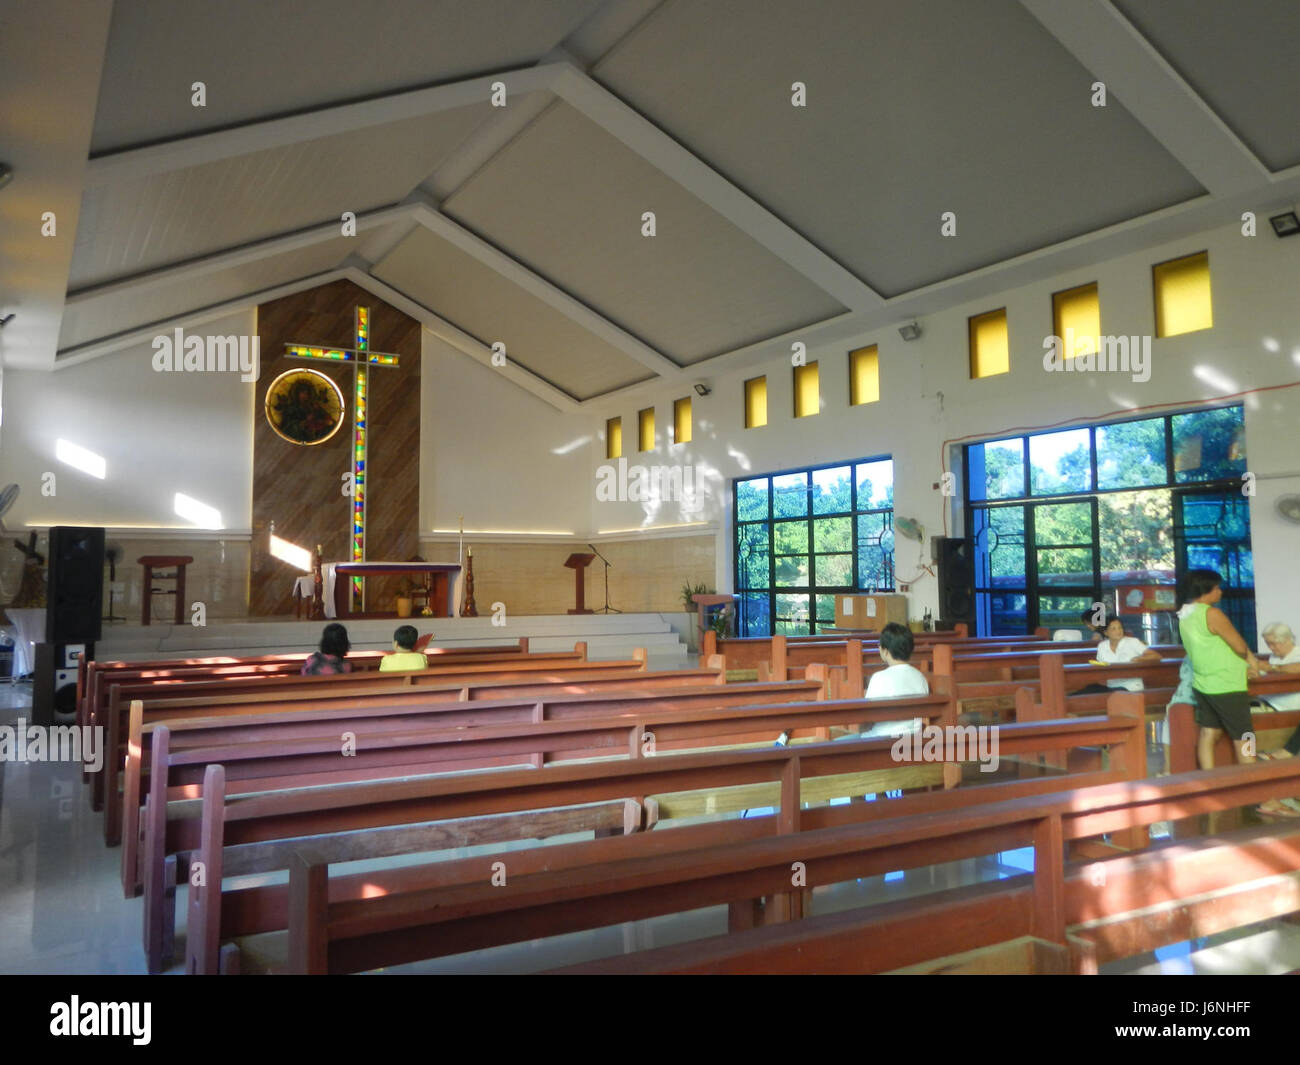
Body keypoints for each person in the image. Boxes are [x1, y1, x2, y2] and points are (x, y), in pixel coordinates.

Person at [1178, 570, 1298, 818]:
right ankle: (1263, 797)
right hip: (1227, 683)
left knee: (1208, 733)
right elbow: (1237, 644)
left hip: (1204, 682)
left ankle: (1209, 788)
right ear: (1207, 590)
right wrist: (1252, 663)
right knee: (1246, 737)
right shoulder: (1212, 613)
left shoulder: (1185, 614)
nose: (1220, 592)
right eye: (1217, 588)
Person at [859, 622, 930, 737]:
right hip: (913, 738)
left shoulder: (878, 678)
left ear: (886, 651)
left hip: (880, 739)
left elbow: (867, 716)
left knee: (839, 743)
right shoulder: (921, 678)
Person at [1252, 621, 1300, 759]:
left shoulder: (1297, 654)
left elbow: (1296, 668)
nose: (1270, 647)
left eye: (1273, 643)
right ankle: (1247, 753)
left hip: (1285, 706)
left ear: (1286, 641)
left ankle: (1248, 754)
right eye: (1268, 644)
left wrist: (1270, 668)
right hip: (1267, 700)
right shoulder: (1274, 657)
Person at [1092, 615, 1161, 691]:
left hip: (1132, 687)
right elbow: (1100, 667)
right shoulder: (1102, 646)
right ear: (1106, 632)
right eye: (1113, 629)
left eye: (1120, 627)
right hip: (1111, 686)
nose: (1118, 631)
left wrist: (1140, 659)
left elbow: (1157, 656)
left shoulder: (1133, 642)